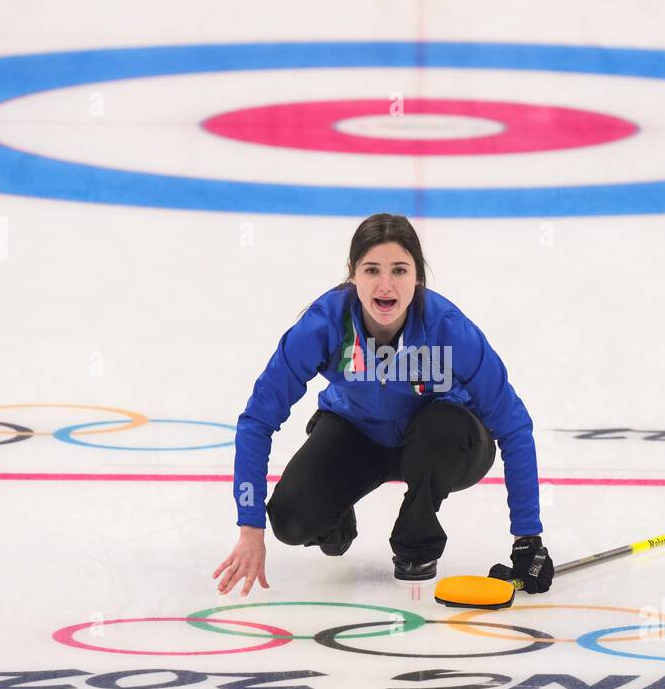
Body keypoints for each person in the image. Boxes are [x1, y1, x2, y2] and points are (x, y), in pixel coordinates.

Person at [212, 212, 554, 596]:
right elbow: (257, 420)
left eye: (400, 270)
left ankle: (416, 541)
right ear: (353, 274)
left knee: (440, 424)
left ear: (418, 277)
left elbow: (513, 426)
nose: (386, 285)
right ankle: (337, 515)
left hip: (443, 441)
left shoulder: (448, 328)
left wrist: (528, 537)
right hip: (358, 433)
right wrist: (250, 526)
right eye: (372, 270)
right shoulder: (323, 326)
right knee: (291, 521)